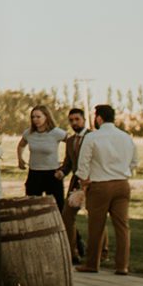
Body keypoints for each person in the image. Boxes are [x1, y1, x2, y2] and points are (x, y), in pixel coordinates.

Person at [75, 103, 139, 275]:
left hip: (100, 185)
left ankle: (92, 264)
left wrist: (84, 181)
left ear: (99, 118)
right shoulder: (126, 137)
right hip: (122, 184)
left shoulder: (93, 137)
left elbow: (83, 164)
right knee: (122, 226)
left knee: (96, 225)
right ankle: (122, 266)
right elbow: (134, 162)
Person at [16, 104, 68, 206]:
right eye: (33, 117)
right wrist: (20, 159)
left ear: (46, 117)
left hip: (52, 174)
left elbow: (72, 144)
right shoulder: (29, 133)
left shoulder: (56, 132)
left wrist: (66, 164)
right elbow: (21, 145)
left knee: (57, 206)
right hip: (34, 174)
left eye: (38, 117)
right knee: (32, 205)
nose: (35, 119)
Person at [59, 106, 88, 262]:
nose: (74, 123)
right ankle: (72, 253)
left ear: (84, 119)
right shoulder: (70, 141)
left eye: (77, 119)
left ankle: (102, 253)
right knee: (67, 216)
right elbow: (68, 163)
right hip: (75, 182)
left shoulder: (92, 136)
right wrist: (61, 172)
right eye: (71, 120)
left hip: (91, 181)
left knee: (96, 217)